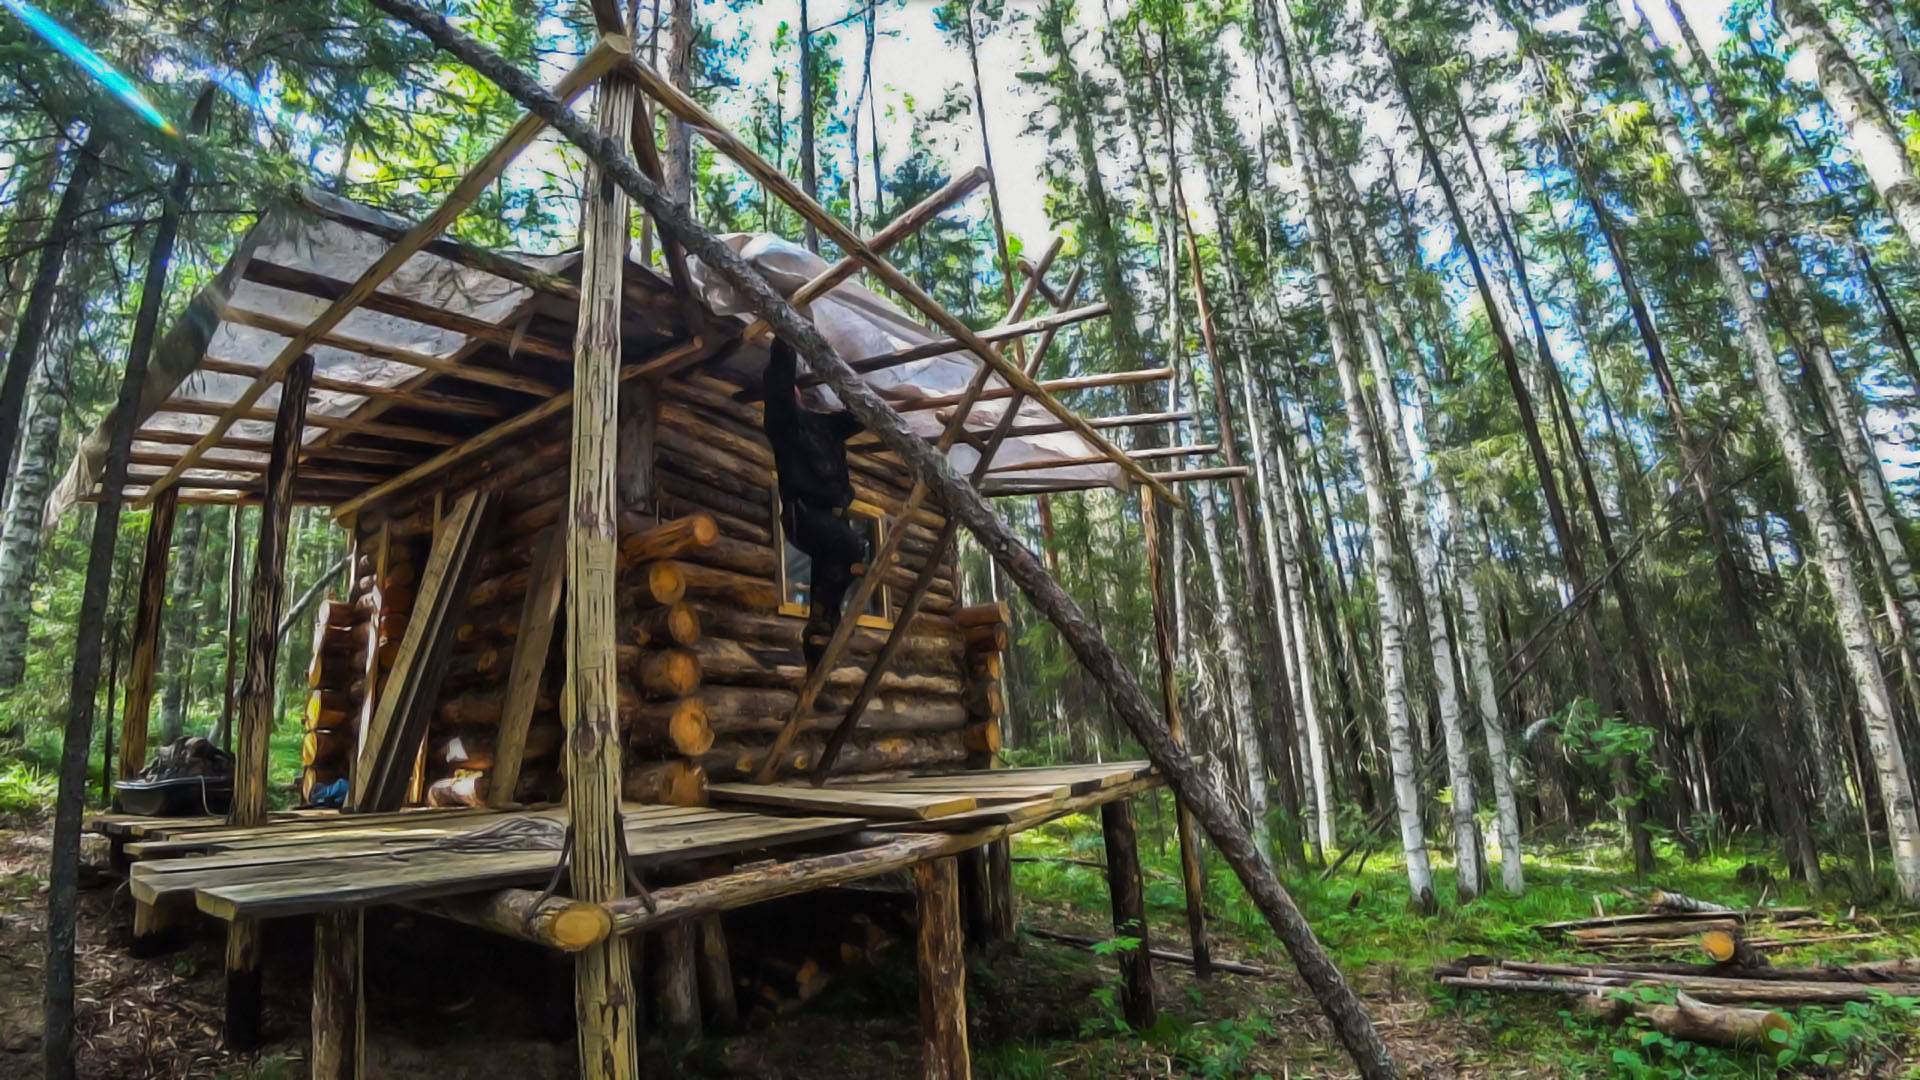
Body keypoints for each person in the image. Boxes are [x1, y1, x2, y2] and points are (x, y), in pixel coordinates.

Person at [763, 337, 868, 674]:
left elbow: (862, 413)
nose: (793, 391)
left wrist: (849, 370)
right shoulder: (785, 425)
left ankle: (817, 645)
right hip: (805, 517)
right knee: (852, 548)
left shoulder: (828, 426)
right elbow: (778, 379)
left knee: (830, 592)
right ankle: (822, 621)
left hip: (834, 522)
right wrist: (786, 337)